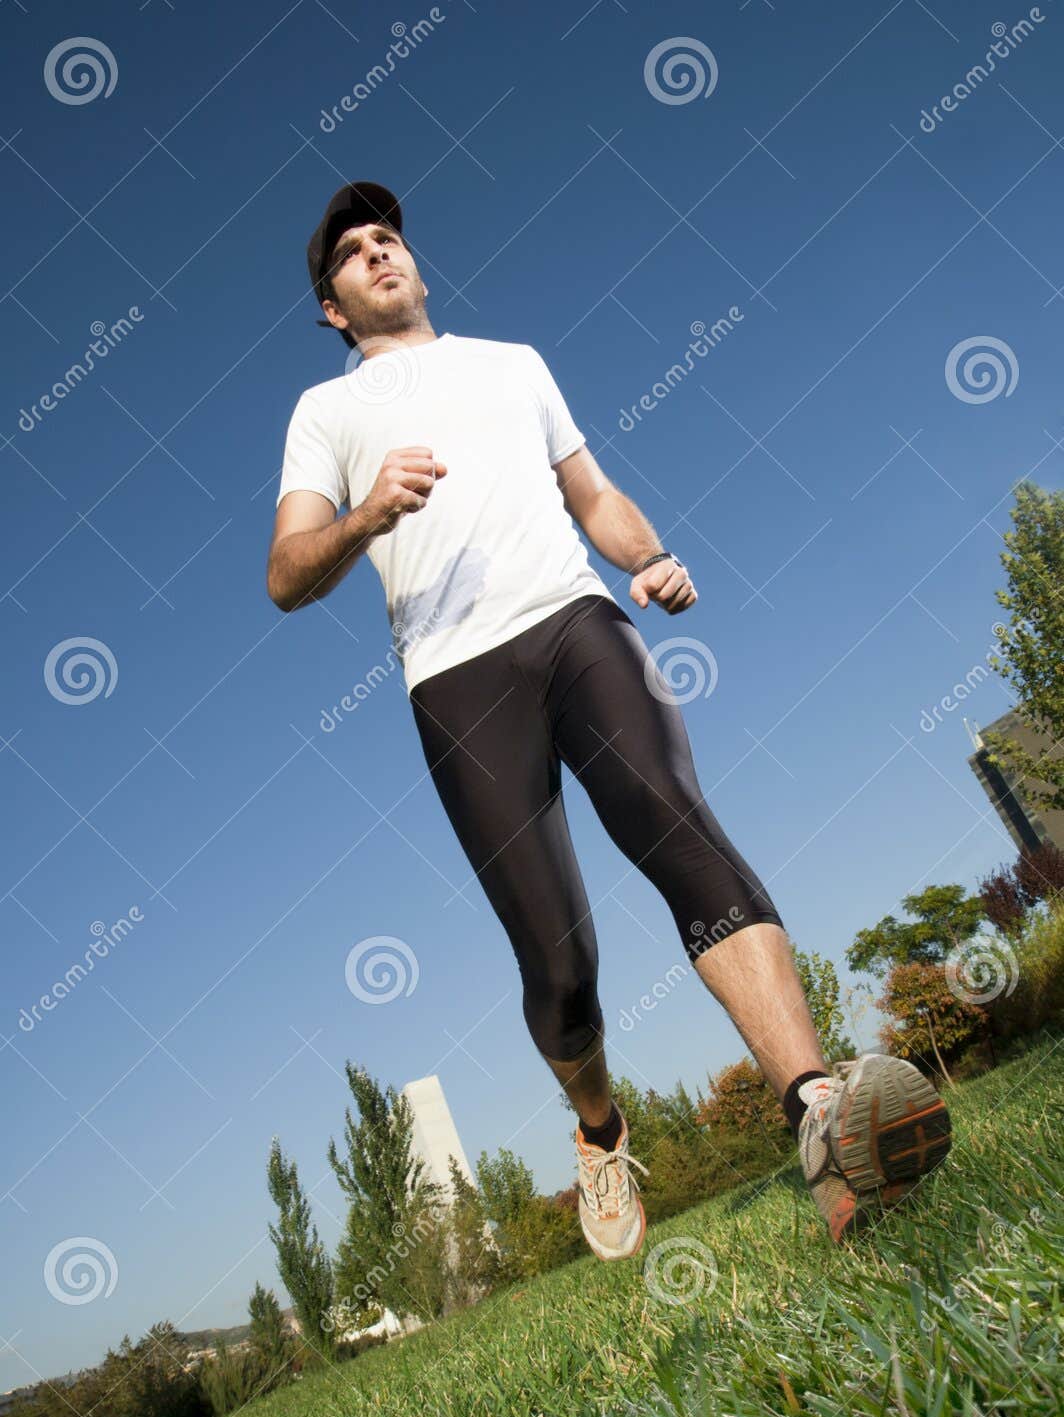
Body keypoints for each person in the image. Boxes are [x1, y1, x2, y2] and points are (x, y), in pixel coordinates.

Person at [268, 180, 951, 1262]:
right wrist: (365, 513)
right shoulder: (328, 413)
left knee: (673, 819)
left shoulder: (513, 363)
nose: (377, 252)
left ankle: (818, 1114)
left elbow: (590, 494)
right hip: (453, 676)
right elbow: (285, 576)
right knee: (555, 957)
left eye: (387, 237)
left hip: (575, 619)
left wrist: (648, 556)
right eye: (351, 253)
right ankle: (598, 1128)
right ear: (333, 310)